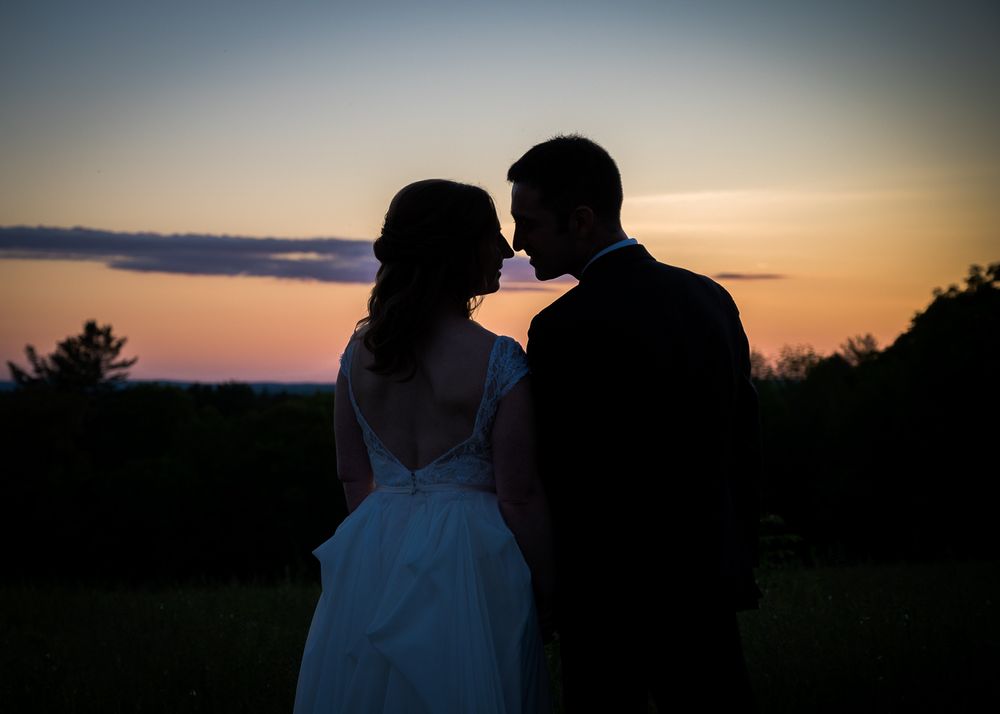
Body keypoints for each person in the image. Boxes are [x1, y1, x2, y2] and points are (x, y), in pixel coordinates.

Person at [507, 136, 762, 712]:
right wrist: (736, 555)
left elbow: (559, 471)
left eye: (528, 223)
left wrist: (551, 586)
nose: (518, 244)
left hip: (605, 592)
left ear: (580, 220)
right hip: (705, 578)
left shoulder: (561, 328)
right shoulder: (710, 299)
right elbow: (744, 444)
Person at [293, 179, 554, 713]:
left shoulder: (356, 355)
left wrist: (387, 552)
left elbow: (351, 475)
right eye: (491, 236)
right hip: (474, 559)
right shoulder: (499, 360)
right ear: (455, 250)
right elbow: (520, 496)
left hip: (375, 544)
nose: (507, 250)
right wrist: (548, 590)